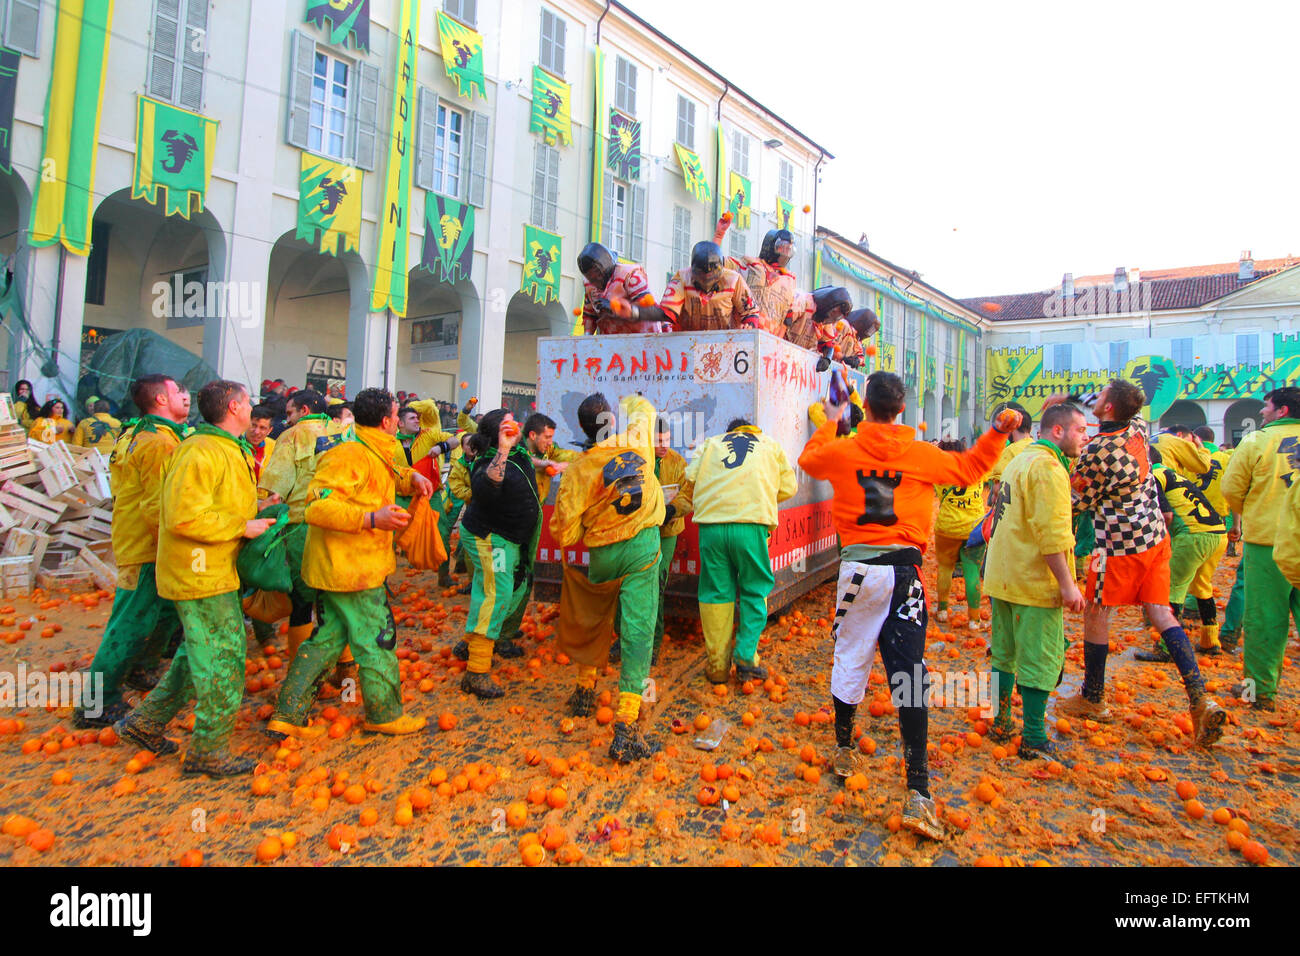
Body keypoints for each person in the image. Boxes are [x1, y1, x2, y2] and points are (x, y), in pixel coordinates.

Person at [798, 370, 1017, 840]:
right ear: (901, 410)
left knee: (850, 659)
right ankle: (918, 790)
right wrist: (998, 431)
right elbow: (971, 469)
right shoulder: (923, 454)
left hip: (857, 572)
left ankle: (843, 747)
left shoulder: (843, 449)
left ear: (868, 408)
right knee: (909, 674)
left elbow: (809, 460)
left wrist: (832, 418)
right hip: (904, 575)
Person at [114, 380, 277, 775]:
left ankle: (144, 723)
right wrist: (243, 525)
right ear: (236, 407)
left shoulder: (222, 448)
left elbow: (212, 503)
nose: (252, 410)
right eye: (248, 403)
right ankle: (209, 750)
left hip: (213, 569)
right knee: (224, 659)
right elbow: (185, 515)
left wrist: (259, 507)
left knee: (195, 654)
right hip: (199, 573)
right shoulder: (201, 451)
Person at [1057, 378, 1225, 746]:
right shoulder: (1138, 428)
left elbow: (1075, 502)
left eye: (1100, 398)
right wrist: (1069, 397)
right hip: (1155, 539)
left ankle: (1093, 696)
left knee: (1097, 611)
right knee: (1161, 613)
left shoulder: (1096, 450)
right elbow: (1104, 403)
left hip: (1115, 546)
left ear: (1109, 408)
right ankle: (1200, 698)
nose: (1094, 400)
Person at [268, 387, 433, 738]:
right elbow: (317, 507)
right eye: (396, 413)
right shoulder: (349, 455)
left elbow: (385, 472)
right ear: (388, 421)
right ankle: (384, 713)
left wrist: (410, 477)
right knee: (377, 638)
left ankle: (288, 714)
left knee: (327, 640)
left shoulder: (375, 448)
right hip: (351, 569)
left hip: (346, 567)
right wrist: (372, 519)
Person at [552, 393, 666, 761]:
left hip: (602, 553)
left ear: (582, 429)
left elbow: (565, 534)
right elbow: (645, 409)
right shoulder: (637, 437)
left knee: (596, 619)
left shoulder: (578, 468)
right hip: (642, 550)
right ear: (612, 421)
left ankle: (584, 690)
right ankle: (627, 726)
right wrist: (630, 399)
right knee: (637, 632)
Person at [74, 375, 190, 729]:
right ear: (159, 400)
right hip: (147, 548)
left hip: (137, 541)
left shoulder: (138, 433)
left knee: (164, 612)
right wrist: (176, 546)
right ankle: (96, 703)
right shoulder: (157, 444)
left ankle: (140, 667)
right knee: (130, 622)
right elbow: (158, 506)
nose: (184, 396)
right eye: (176, 392)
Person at [984, 401, 1090, 759]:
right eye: (1080, 430)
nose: (1085, 438)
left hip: (1003, 575)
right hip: (1032, 580)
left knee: (1005, 654)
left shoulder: (1020, 459)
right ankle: (1033, 736)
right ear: (1057, 431)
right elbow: (1053, 535)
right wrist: (1067, 584)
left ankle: (1000, 722)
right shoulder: (1048, 468)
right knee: (1039, 658)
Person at [687, 416, 797, 685]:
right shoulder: (769, 445)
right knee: (754, 589)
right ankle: (746, 659)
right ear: (751, 430)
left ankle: (717, 667)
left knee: (715, 592)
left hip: (711, 528)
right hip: (750, 527)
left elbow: (690, 480)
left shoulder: (710, 444)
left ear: (729, 433)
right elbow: (789, 487)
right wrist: (761, 497)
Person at [1220, 386, 1300, 710]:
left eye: (1266, 407)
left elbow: (1231, 489)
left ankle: (1259, 694)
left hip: (1268, 542)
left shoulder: (1255, 440)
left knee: (1264, 622)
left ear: (1281, 410)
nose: (1262, 412)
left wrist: (1250, 510)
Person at [457, 409, 541, 698]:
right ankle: (476, 672)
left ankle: (471, 642)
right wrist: (503, 449)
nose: (515, 424)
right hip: (491, 538)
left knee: (508, 591)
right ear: (496, 435)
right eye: (507, 424)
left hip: (510, 538)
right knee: (495, 595)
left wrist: (549, 464)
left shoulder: (517, 452)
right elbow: (487, 488)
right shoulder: (487, 461)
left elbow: (526, 463)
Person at [256, 389, 337, 664]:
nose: (287, 419)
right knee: (334, 600)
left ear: (303, 410)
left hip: (302, 525)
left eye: (290, 412)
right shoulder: (343, 431)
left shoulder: (291, 436)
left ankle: (300, 670)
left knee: (302, 601)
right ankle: (343, 669)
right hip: (340, 524)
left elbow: (275, 491)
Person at [1136, 436, 1227, 658]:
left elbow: (1164, 515)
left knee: (1172, 589)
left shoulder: (1153, 476)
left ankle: (1167, 649)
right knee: (1202, 586)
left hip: (1193, 537)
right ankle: (1210, 641)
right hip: (1217, 534)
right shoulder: (1173, 474)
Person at [615, 241, 761, 332]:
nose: (706, 279)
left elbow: (751, 312)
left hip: (725, 341)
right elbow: (666, 313)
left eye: (712, 274)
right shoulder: (681, 278)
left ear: (722, 270)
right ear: (692, 269)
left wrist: (749, 326)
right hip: (687, 342)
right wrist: (635, 312)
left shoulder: (734, 280)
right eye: (701, 274)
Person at [714, 217, 801, 337]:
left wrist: (777, 343)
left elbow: (787, 320)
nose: (785, 253)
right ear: (770, 246)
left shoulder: (789, 281)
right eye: (782, 247)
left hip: (768, 344)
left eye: (789, 249)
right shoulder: (748, 265)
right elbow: (713, 263)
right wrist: (719, 235)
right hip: (740, 335)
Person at [933, 439, 987, 630]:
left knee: (945, 569)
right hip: (974, 529)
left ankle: (942, 610)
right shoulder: (977, 470)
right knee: (972, 571)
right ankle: (974, 620)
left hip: (948, 528)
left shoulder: (939, 474)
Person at [652, 418, 693, 662]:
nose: (663, 445)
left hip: (667, 530)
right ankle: (624, 639)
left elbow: (687, 494)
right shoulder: (640, 460)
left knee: (656, 584)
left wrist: (671, 510)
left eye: (666, 440)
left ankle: (653, 646)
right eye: (658, 441)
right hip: (640, 531)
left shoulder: (677, 462)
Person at [578, 242, 666, 334]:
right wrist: (587, 337)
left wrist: (617, 308)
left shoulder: (630, 276)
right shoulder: (590, 286)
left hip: (644, 338)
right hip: (612, 342)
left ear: (606, 266)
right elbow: (589, 315)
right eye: (591, 278)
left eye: (597, 273)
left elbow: (653, 312)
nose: (595, 280)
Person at [245, 404, 276, 482]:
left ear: (269, 431)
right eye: (253, 425)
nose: (256, 432)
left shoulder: (275, 448)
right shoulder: (235, 443)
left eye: (262, 428)